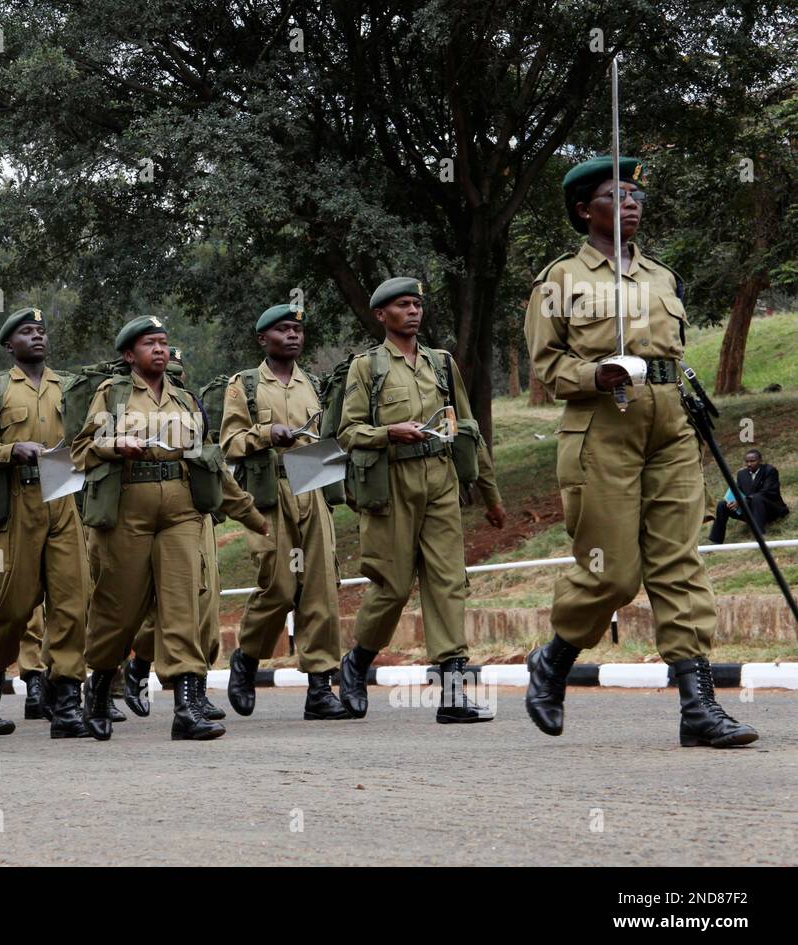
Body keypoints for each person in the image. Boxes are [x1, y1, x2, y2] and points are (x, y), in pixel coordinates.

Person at [523, 157, 757, 747]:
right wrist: (595, 374)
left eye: (635, 194)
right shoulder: (559, 281)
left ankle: (698, 709)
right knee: (614, 573)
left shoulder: (662, 277)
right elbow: (547, 367)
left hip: (671, 427)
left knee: (680, 564)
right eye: (614, 194)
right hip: (604, 429)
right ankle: (553, 659)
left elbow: (672, 354)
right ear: (585, 209)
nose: (630, 202)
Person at [74, 316, 267, 742]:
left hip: (181, 512)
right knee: (118, 611)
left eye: (163, 342)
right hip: (128, 513)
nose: (160, 350)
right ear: (129, 355)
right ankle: (101, 687)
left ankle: (185, 708)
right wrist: (115, 444)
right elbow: (81, 451)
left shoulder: (185, 401)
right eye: (149, 344)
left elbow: (211, 464)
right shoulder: (113, 394)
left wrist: (252, 515)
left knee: (183, 605)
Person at [336, 278, 506, 724]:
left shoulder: (442, 364)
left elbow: (468, 428)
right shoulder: (367, 368)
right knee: (391, 586)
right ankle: (356, 663)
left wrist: (490, 495)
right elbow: (348, 432)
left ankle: (452, 693)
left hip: (441, 480)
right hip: (390, 485)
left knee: (448, 582)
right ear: (381, 315)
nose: (413, 311)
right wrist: (388, 432)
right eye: (402, 305)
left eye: (417, 304)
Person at [0, 309, 90, 739]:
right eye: (26, 331)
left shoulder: (69, 387)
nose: (36, 336)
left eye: (40, 330)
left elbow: (87, 439)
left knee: (72, 602)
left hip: (64, 496)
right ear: (9, 345)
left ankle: (67, 701)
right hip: (19, 501)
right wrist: (11, 449)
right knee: (15, 607)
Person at [222, 303, 348, 720]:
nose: (293, 335)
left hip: (311, 482)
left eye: (297, 329)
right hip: (270, 490)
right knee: (277, 585)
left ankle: (319, 686)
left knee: (320, 587)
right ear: (263, 339)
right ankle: (247, 657)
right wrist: (264, 433)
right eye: (282, 330)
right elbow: (230, 442)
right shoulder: (244, 385)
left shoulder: (313, 382)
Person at [708, 449, 788, 544]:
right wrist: (733, 501)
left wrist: (743, 501)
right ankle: (716, 541)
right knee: (722, 505)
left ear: (760, 460)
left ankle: (759, 536)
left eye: (752, 461)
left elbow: (767, 492)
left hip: (771, 509)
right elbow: (737, 491)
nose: (749, 464)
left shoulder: (770, 470)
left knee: (757, 498)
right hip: (750, 510)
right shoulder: (741, 474)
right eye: (747, 461)